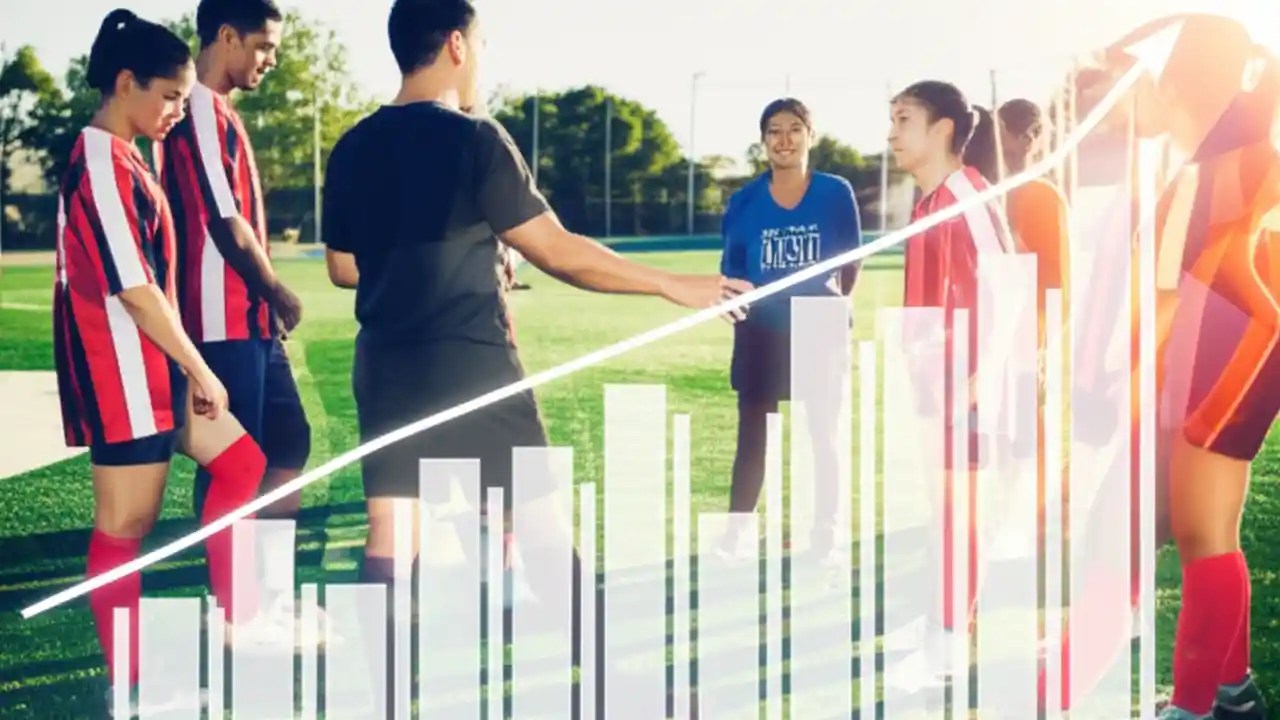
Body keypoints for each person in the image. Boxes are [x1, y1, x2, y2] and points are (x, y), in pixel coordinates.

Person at [320, 0, 750, 709]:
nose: (483, 58)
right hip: (471, 364)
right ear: (457, 44)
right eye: (481, 44)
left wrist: (427, 260)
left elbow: (341, 265)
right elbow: (553, 249)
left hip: (388, 365)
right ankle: (614, 686)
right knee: (539, 527)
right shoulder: (475, 140)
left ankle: (389, 700)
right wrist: (671, 282)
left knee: (392, 533)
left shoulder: (354, 145)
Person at [1049, 13, 1278, 720]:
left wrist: (1201, 401)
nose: (1116, 110)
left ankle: (1196, 707)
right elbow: (1168, 297)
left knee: (1203, 533)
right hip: (1186, 371)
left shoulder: (1250, 166)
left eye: (1130, 90)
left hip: (1231, 366)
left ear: (1171, 86)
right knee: (1141, 526)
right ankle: (1228, 693)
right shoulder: (1192, 172)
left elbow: (1242, 293)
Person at [52, 9, 271, 715]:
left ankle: (237, 619)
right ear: (126, 83)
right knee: (124, 529)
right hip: (119, 372)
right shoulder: (97, 159)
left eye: (184, 97)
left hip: (155, 371)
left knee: (242, 464)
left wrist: (183, 370)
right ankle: (132, 683)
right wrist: (201, 369)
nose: (181, 109)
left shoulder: (128, 154)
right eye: (171, 95)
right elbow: (135, 289)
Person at [158, 0, 312, 625]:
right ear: (227, 36)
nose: (271, 59)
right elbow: (225, 222)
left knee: (288, 443)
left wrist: (264, 305)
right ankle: (235, 607)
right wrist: (278, 290)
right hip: (217, 323)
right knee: (235, 464)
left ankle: (263, 593)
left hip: (249, 322)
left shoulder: (217, 111)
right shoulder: (195, 106)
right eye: (264, 46)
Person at [882, 79, 1018, 690]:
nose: (891, 133)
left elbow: (1009, 286)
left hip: (969, 391)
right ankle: (942, 619)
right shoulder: (926, 200)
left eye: (902, 119)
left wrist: (979, 380)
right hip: (934, 389)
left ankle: (949, 647)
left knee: (958, 516)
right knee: (940, 513)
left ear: (942, 130)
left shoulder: (966, 192)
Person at [717, 97, 862, 562]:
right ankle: (737, 532)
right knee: (752, 436)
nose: (784, 139)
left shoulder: (835, 192)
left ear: (809, 136)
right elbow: (733, 272)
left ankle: (826, 531)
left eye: (795, 129)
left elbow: (850, 260)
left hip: (819, 325)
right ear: (762, 142)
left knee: (823, 433)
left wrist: (835, 306)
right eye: (774, 131)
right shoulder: (743, 202)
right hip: (761, 329)